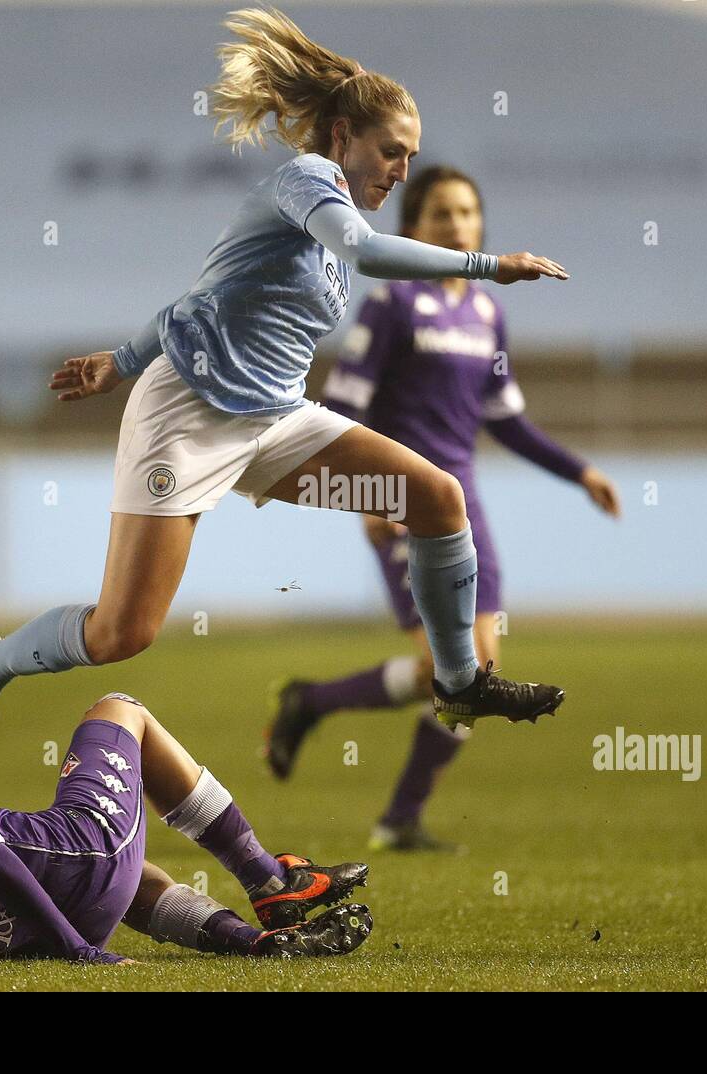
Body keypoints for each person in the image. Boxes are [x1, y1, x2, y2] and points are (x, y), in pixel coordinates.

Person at [0, 7, 571, 758]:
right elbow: (368, 252)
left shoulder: (333, 230)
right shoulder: (308, 182)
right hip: (189, 416)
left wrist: (117, 359)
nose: (402, 172)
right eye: (392, 153)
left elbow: (204, 298)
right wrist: (489, 265)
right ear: (342, 138)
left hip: (275, 421)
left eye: (412, 157)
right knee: (121, 632)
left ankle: (460, 680)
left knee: (437, 498)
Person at [265, 166, 621, 851]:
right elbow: (341, 409)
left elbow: (505, 421)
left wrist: (581, 472)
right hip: (405, 500)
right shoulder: (392, 305)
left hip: (467, 510)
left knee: (460, 673)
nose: (457, 225)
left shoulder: (488, 313)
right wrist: (365, 495)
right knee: (456, 670)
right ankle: (377, 791)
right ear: (414, 229)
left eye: (466, 213)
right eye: (441, 216)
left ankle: (334, 733)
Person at [0, 642, 372, 963]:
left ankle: (257, 944)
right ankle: (268, 879)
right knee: (120, 709)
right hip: (70, 876)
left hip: (3, 930)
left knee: (125, 880)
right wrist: (78, 952)